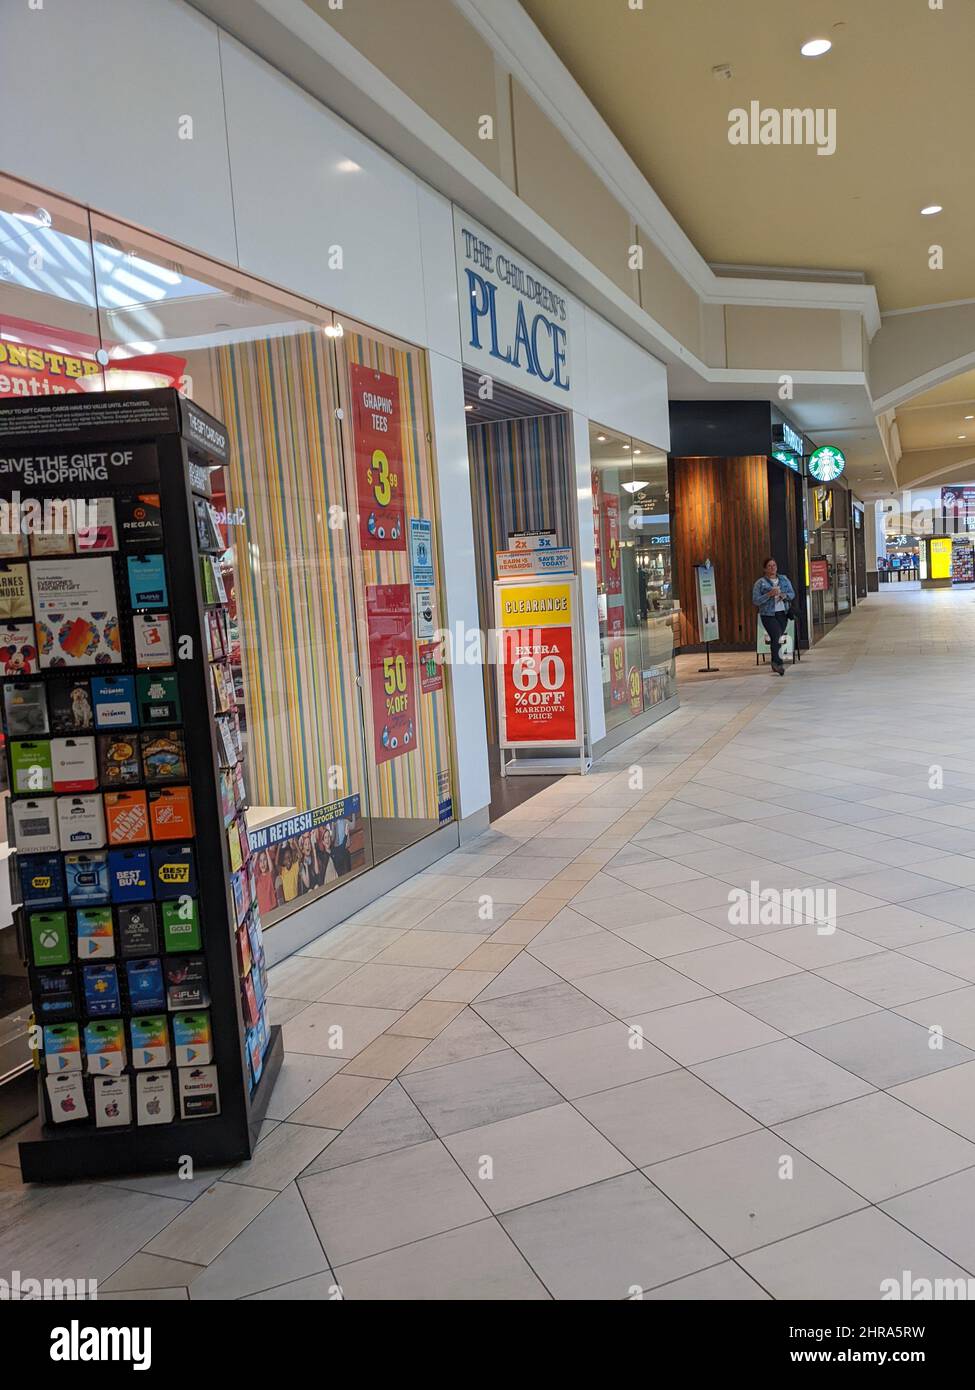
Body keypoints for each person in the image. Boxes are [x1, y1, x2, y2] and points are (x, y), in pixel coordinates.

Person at [752, 557, 795, 676]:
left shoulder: (784, 579)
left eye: (774, 565)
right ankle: (778, 663)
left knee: (778, 638)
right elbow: (755, 600)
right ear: (765, 569)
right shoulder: (760, 583)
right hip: (768, 615)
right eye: (769, 566)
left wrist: (784, 595)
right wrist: (769, 594)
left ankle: (775, 662)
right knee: (775, 635)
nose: (772, 568)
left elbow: (792, 594)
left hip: (782, 613)